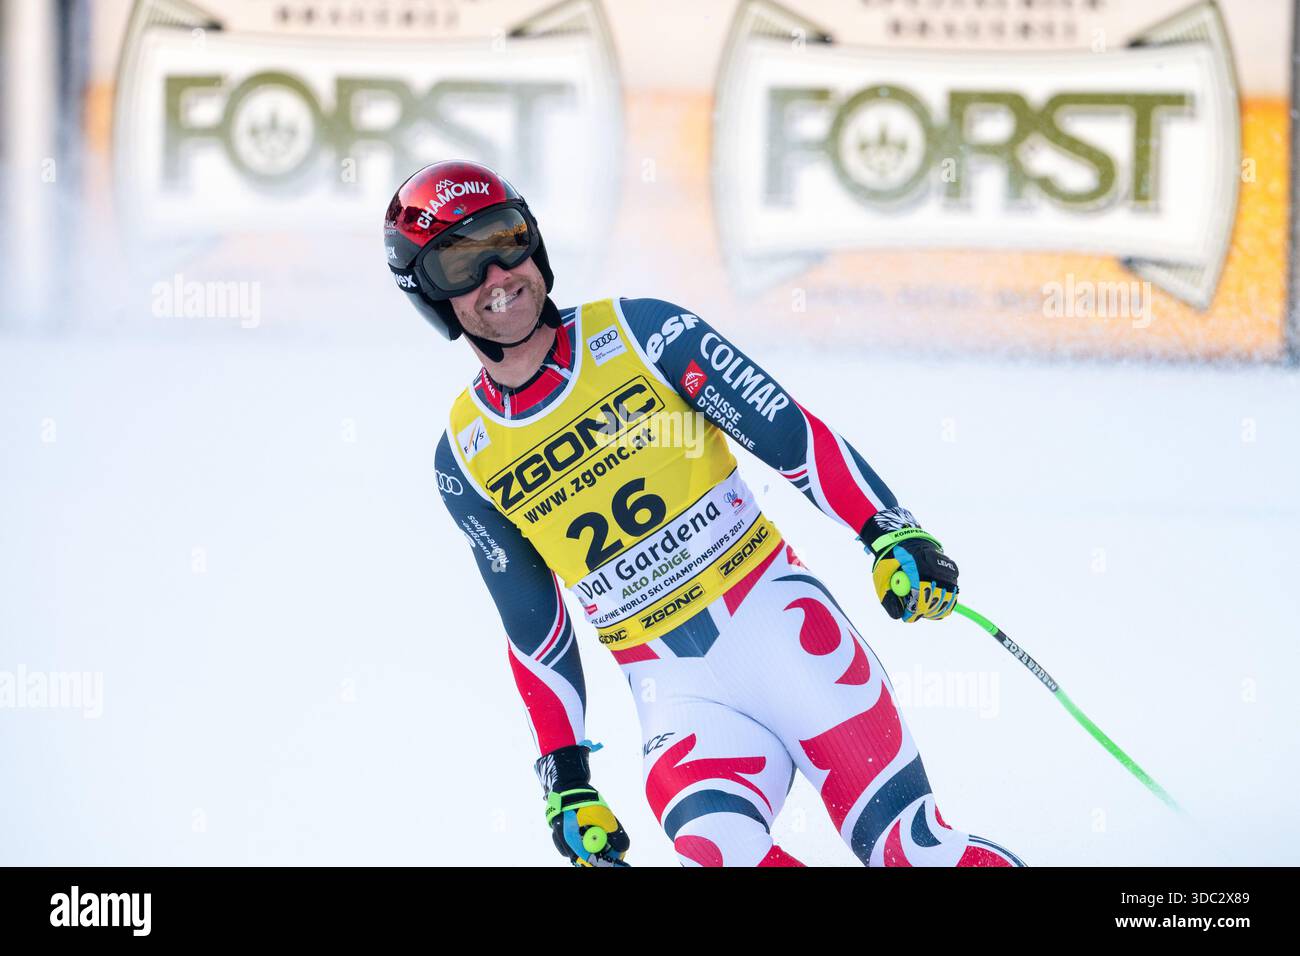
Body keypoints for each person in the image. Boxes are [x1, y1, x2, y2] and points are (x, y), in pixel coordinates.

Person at [385, 160, 1024, 868]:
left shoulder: (642, 334)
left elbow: (790, 435)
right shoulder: (466, 459)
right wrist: (566, 782)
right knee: (723, 853)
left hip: (787, 637)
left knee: (911, 851)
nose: (498, 277)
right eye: (460, 266)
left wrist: (889, 530)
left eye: (507, 240)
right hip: (678, 698)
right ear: (428, 295)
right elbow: (536, 632)